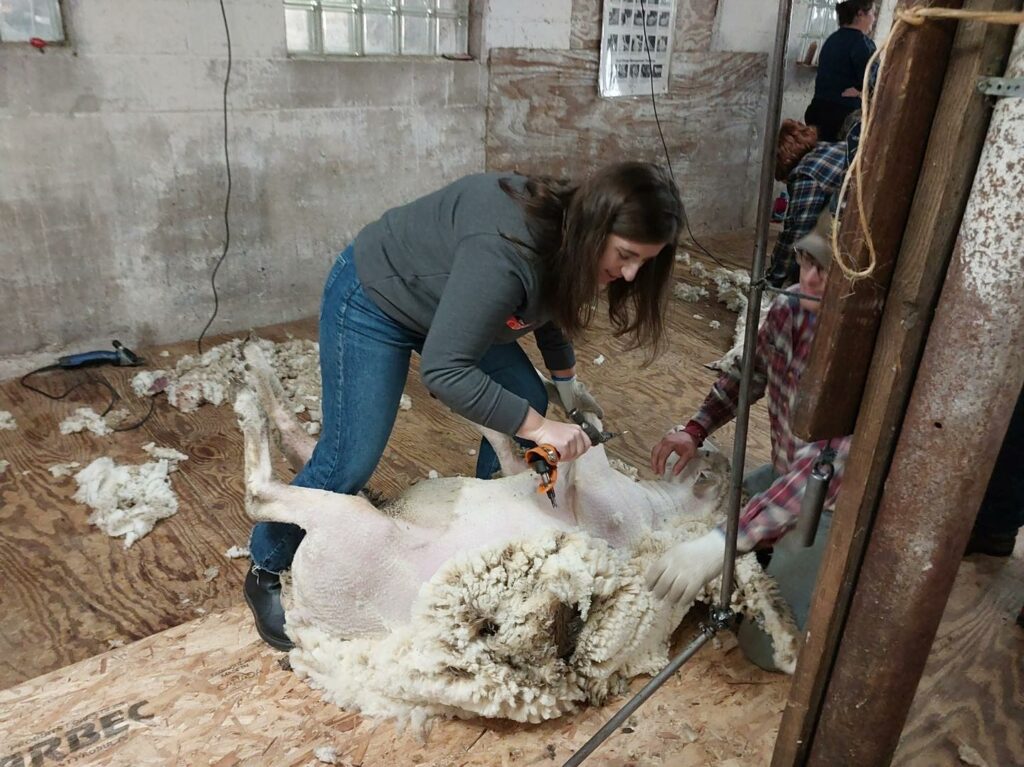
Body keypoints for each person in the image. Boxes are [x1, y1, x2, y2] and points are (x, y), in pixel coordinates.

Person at [245, 162, 685, 650]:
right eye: (626, 255)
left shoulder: (568, 238)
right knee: (349, 460)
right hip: (379, 300)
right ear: (595, 227)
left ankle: (492, 506)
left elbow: (550, 304)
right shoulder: (506, 250)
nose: (630, 273)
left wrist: (565, 380)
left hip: (457, 306)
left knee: (528, 398)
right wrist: (540, 429)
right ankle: (266, 565)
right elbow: (446, 372)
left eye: (644, 262)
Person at [647, 225, 852, 670]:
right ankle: (770, 541)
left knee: (768, 648)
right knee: (704, 502)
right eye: (806, 260)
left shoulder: (870, 345)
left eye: (828, 270)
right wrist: (695, 429)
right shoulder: (796, 303)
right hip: (791, 471)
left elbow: (832, 461)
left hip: (840, 500)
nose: (811, 278)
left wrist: (725, 541)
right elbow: (748, 374)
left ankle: (848, 578)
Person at [766, 119, 849, 287]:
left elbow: (797, 232)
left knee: (806, 251)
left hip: (850, 232)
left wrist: (773, 279)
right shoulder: (827, 149)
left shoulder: (807, 173)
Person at [804, 0, 877, 142]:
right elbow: (872, 83)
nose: (873, 19)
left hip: (818, 113)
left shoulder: (831, 40)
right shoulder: (862, 43)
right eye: (873, 13)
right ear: (860, 14)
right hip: (844, 119)